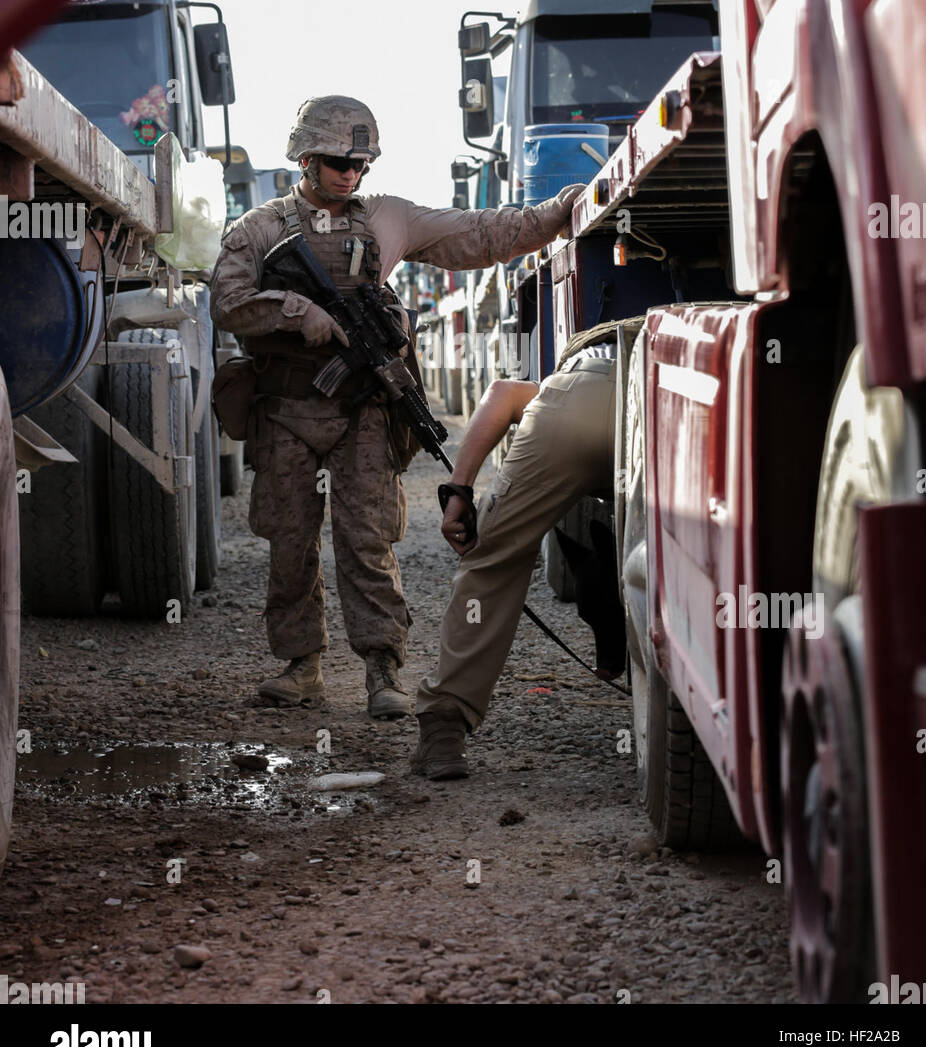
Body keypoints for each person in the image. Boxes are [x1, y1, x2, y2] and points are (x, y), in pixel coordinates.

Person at [209, 94, 584, 719]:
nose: (351, 174)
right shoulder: (261, 228)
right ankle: (301, 666)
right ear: (306, 159)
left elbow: (477, 234)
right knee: (290, 543)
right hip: (286, 409)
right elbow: (227, 302)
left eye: (361, 164)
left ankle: (383, 668)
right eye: (338, 162)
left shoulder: (389, 217)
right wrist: (298, 312)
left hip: (363, 409)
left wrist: (552, 215)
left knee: (368, 539)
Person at [411, 320, 637, 778]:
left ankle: (444, 727)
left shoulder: (574, 366)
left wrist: (459, 491)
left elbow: (502, 393)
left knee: (491, 563)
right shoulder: (665, 334)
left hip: (576, 407)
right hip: (662, 399)